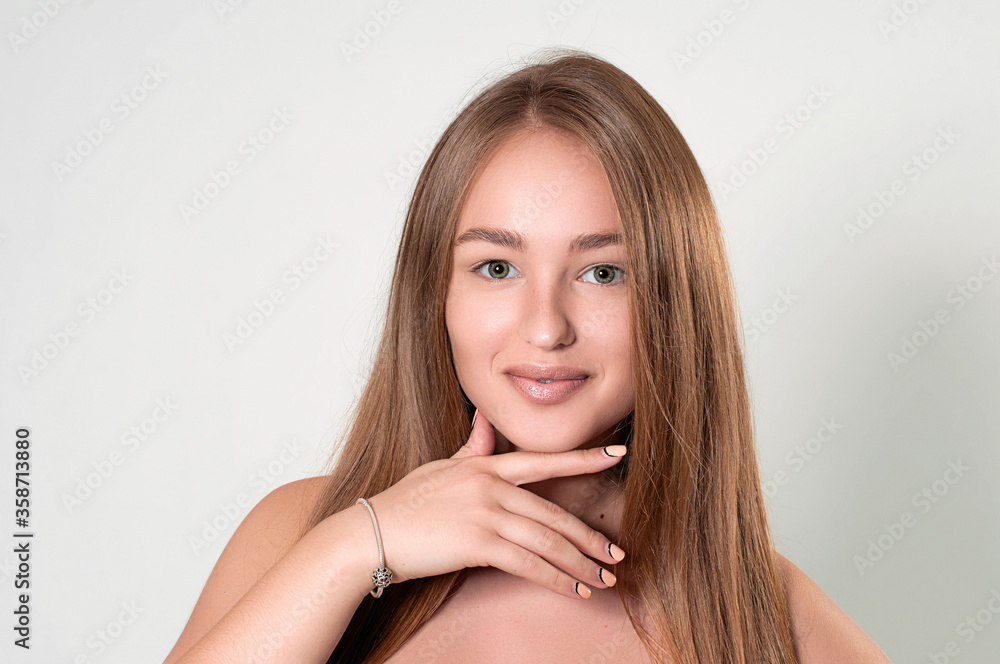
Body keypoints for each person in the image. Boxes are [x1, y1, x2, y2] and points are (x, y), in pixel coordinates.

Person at [162, 47, 893, 664]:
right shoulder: (302, 533)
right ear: (435, 292)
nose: (546, 329)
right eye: (497, 267)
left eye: (603, 272)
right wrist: (360, 547)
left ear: (675, 303)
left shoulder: (761, 615)